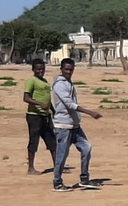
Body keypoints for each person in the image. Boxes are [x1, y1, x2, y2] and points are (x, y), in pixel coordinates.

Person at [50, 58, 103, 191]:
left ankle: (84, 179)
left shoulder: (69, 83)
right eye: (66, 69)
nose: (69, 72)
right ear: (61, 69)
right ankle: (57, 182)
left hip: (74, 125)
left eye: (71, 69)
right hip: (63, 126)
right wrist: (89, 112)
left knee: (86, 147)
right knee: (62, 155)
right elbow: (69, 104)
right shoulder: (59, 85)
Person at [22, 58, 57, 175]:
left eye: (42, 69)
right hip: (34, 116)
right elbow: (26, 98)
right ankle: (31, 168)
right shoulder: (31, 81)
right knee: (34, 141)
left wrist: (53, 110)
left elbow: (47, 99)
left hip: (46, 116)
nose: (40, 71)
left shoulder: (45, 82)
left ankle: (57, 166)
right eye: (38, 69)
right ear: (33, 69)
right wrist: (39, 104)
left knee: (52, 141)